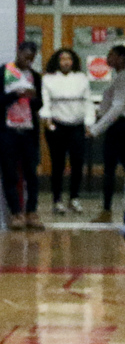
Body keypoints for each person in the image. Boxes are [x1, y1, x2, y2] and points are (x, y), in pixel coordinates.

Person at [90, 44, 125, 222]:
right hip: (124, 126)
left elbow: (117, 107)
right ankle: (109, 208)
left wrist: (96, 129)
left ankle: (107, 210)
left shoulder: (123, 79)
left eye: (111, 55)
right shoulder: (120, 77)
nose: (108, 58)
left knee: (116, 168)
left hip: (121, 126)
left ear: (121, 57)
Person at [43, 48, 94, 215]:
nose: (66, 62)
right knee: (57, 164)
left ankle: (74, 198)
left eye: (69, 59)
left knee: (77, 163)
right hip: (57, 125)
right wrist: (47, 120)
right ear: (57, 61)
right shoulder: (48, 79)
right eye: (62, 59)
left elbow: (87, 102)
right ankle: (57, 200)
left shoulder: (81, 78)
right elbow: (45, 101)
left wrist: (88, 123)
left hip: (77, 126)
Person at [2, 40, 43, 230]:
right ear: (18, 53)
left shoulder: (35, 76)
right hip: (8, 131)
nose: (28, 61)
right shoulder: (5, 71)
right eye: (26, 57)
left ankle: (31, 212)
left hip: (28, 131)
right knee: (10, 173)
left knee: (31, 174)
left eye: (32, 59)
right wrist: (17, 94)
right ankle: (16, 213)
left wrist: (33, 97)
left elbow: (38, 104)